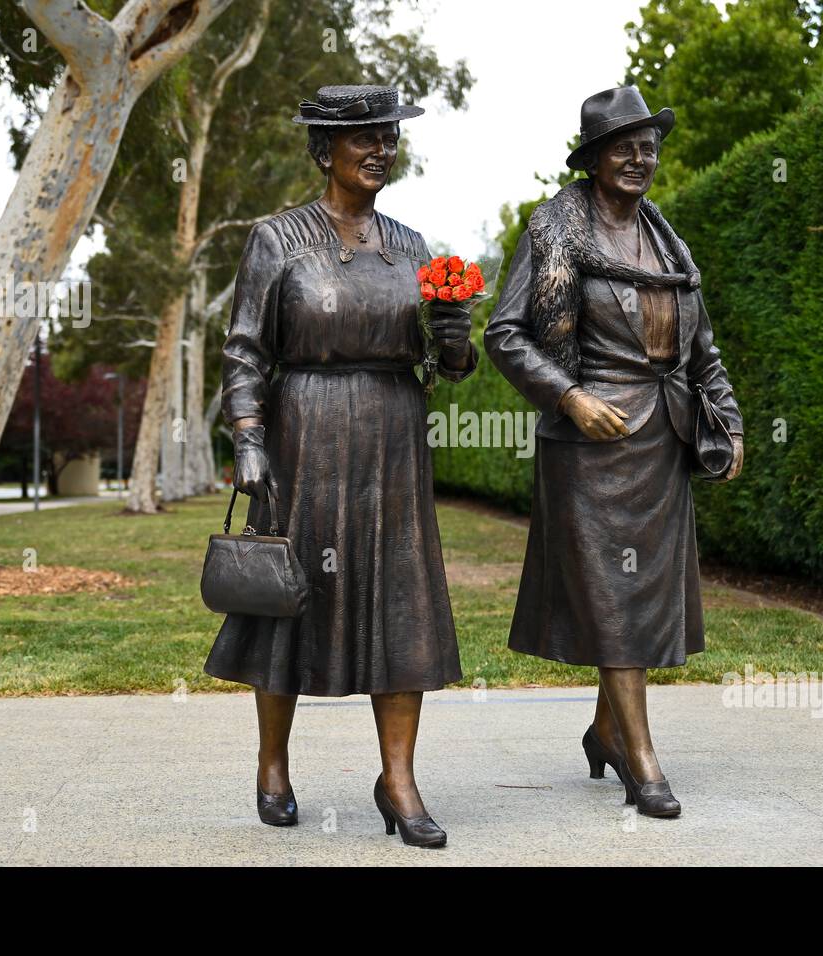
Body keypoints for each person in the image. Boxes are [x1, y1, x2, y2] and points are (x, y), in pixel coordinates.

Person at [203, 85, 477, 848]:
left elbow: (446, 366)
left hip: (392, 440)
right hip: (304, 434)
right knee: (285, 599)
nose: (380, 149)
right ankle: (272, 765)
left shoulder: (412, 246)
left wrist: (454, 335)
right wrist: (250, 438)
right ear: (325, 150)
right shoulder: (277, 238)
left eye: (388, 136)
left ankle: (398, 780)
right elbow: (244, 348)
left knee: (403, 601)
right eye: (363, 138)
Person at [483, 86, 744, 818]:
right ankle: (641, 759)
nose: (639, 158)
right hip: (590, 442)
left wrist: (729, 421)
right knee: (615, 597)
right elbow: (504, 334)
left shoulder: (669, 244)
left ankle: (605, 729)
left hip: (661, 440)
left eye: (648, 146)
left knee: (641, 598)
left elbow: (704, 353)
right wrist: (568, 396)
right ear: (594, 158)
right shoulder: (556, 230)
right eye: (623, 147)